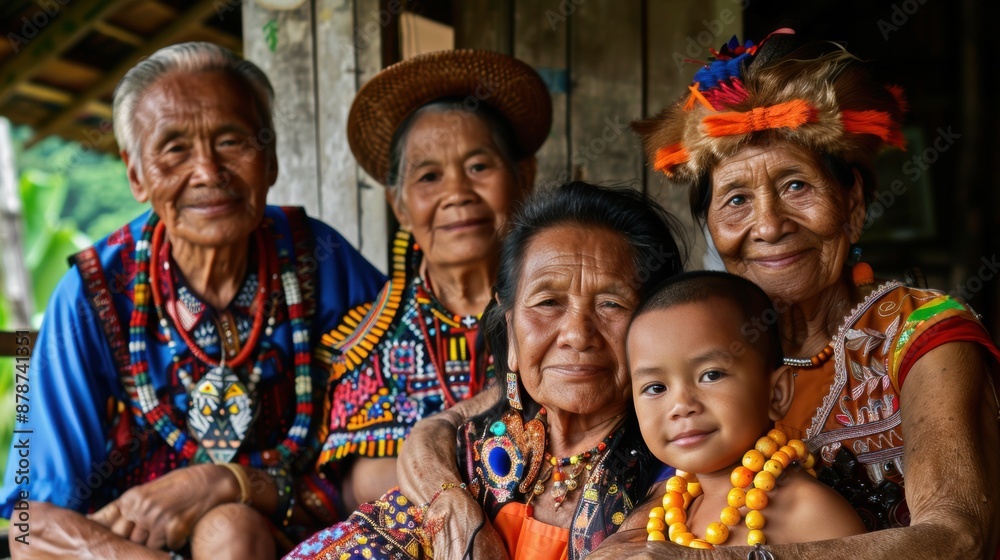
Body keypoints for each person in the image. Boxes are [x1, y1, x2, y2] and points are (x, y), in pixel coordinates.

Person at [595, 29, 1000, 557]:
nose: (768, 225)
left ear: (852, 201)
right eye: (737, 199)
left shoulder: (923, 336)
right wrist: (444, 435)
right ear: (711, 229)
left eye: (796, 186)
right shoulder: (702, 340)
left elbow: (956, 539)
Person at [1, 42, 385, 559]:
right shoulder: (91, 295)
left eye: (231, 141)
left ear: (269, 159)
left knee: (231, 529)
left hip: (303, 539)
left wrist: (225, 483)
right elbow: (26, 522)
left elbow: (393, 443)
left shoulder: (324, 259)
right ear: (136, 174)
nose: (208, 171)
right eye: (175, 148)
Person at [285, 181, 686, 559]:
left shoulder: (678, 469)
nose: (577, 335)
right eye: (547, 302)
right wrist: (452, 509)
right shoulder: (471, 453)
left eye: (611, 304)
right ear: (510, 326)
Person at [311, 49, 551, 517]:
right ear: (400, 206)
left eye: (479, 167)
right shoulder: (364, 340)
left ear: (524, 178)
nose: (456, 193)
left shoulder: (566, 311)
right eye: (429, 176)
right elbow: (364, 486)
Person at [626, 271, 866, 548]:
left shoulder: (807, 511)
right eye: (656, 388)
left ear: (776, 393)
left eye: (711, 374)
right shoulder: (671, 513)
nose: (681, 406)